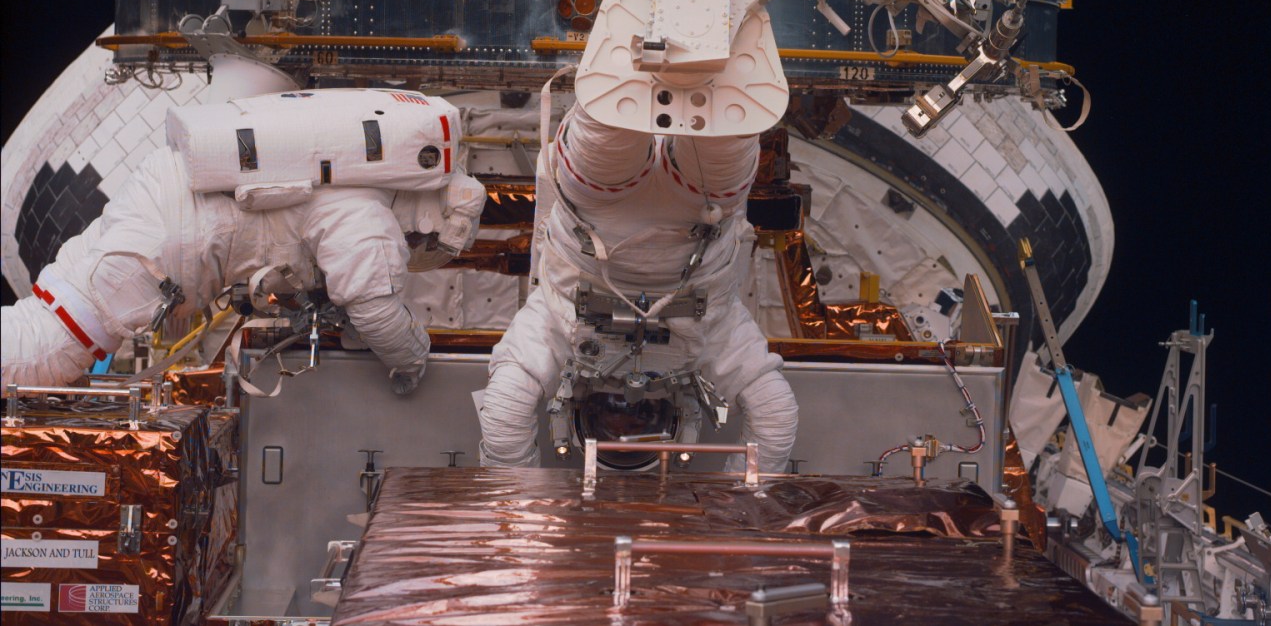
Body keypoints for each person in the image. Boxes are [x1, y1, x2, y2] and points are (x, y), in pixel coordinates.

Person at [2, 109, 486, 394]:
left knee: (55, 308)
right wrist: (415, 363)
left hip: (167, 199)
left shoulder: (354, 183)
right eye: (427, 241)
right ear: (430, 215)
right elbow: (377, 310)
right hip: (172, 239)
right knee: (56, 344)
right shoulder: (366, 214)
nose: (417, 246)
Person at [479, 106, 798, 471]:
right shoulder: (716, 333)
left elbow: (505, 409)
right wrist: (736, 508)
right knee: (719, 135)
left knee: (607, 139)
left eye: (612, 421)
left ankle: (618, 100)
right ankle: (714, 101)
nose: (627, 414)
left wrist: (518, 506)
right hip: (699, 216)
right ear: (679, 416)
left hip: (600, 216)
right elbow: (775, 413)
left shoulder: (553, 325)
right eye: (641, 418)